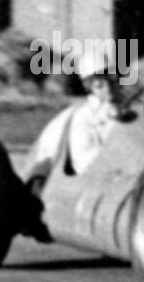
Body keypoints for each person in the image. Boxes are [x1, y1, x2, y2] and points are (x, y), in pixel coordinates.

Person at [21, 47, 125, 183]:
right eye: (99, 83)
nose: (108, 87)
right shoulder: (83, 116)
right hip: (100, 181)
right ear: (89, 86)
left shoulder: (126, 110)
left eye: (111, 78)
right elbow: (81, 163)